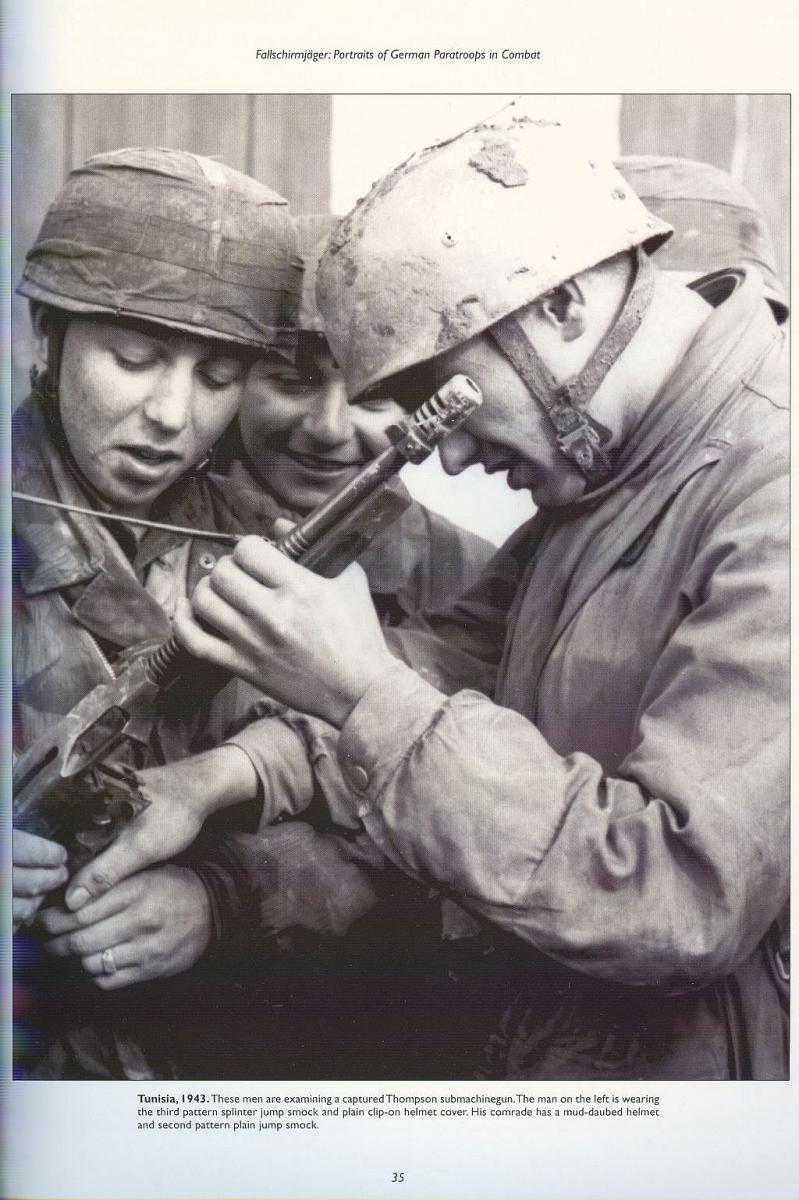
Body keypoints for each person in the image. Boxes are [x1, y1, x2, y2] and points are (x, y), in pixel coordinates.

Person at [63, 114, 789, 1079]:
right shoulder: (617, 470)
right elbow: (457, 667)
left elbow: (678, 894)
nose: (444, 452)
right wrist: (226, 774)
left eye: (448, 391)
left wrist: (364, 693)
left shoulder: (769, 495)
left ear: (562, 306)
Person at [12, 146, 303, 1077]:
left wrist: (221, 896)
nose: (172, 415)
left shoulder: (270, 553)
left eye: (218, 377)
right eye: (135, 359)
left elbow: (381, 806)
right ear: (46, 337)